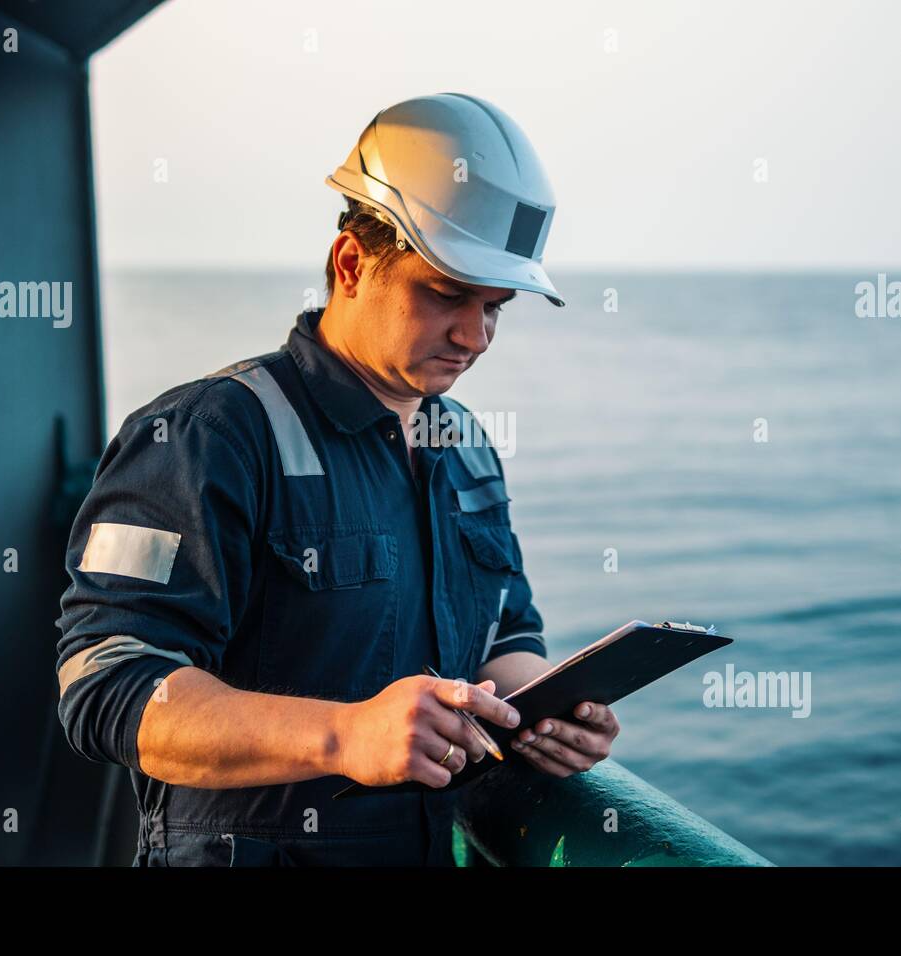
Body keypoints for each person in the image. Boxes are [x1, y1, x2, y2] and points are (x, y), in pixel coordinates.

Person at [54, 93, 620, 866]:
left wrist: (548, 707)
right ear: (353, 264)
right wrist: (348, 735)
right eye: (446, 294)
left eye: (497, 307)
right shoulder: (207, 435)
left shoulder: (468, 446)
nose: (475, 336)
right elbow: (108, 686)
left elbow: (505, 634)